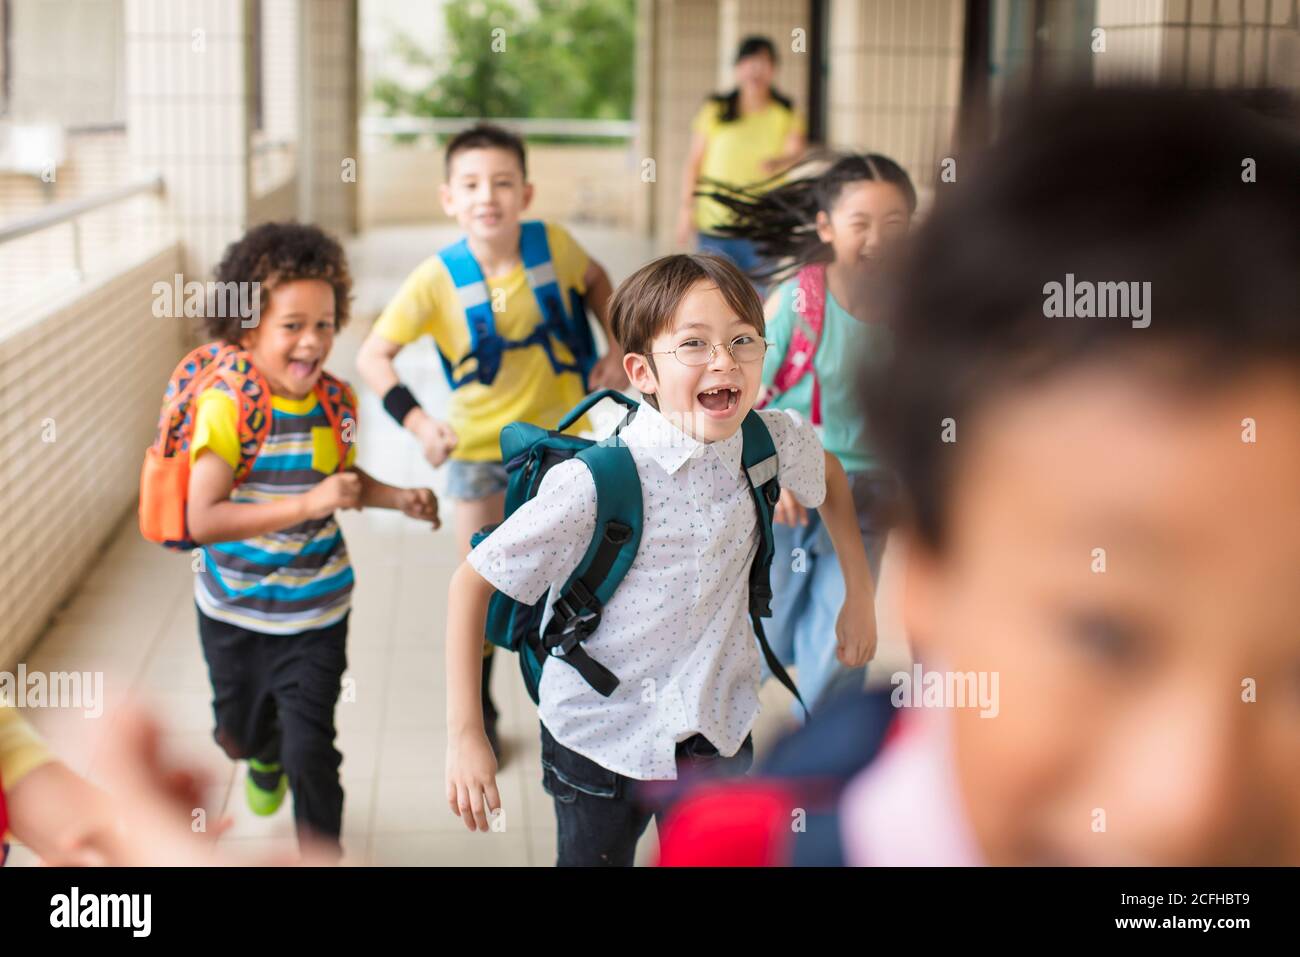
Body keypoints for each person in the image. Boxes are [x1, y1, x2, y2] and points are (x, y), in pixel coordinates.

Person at [658, 86, 1300, 866]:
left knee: (832, 639)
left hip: (870, 496)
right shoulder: (750, 849)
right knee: (779, 622)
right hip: (802, 497)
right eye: (1104, 634)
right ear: (934, 578)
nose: (1193, 807)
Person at [443, 251, 876, 866]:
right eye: (694, 344)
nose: (724, 360)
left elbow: (828, 473)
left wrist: (858, 595)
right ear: (641, 371)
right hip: (599, 742)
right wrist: (467, 733)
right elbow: (470, 584)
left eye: (742, 340)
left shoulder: (771, 440)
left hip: (716, 730)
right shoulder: (596, 482)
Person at [358, 123, 625, 755]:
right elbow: (375, 356)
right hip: (480, 456)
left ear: (526, 193)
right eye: (472, 184)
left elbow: (596, 279)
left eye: (503, 183)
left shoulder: (554, 246)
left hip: (565, 448)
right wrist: (420, 424)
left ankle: (573, 698)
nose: (489, 196)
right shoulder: (435, 279)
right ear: (449, 198)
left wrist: (616, 348)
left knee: (577, 580)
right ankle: (477, 713)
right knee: (479, 585)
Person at [184, 222, 439, 859]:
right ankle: (258, 757)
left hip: (317, 609)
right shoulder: (227, 407)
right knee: (238, 738)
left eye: (325, 324)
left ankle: (321, 853)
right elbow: (203, 520)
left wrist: (397, 498)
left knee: (312, 751)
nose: (313, 340)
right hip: (234, 611)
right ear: (247, 331)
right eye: (292, 325)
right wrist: (307, 503)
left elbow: (342, 482)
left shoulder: (336, 401)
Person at [703, 152, 917, 713]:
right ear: (826, 228)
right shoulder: (800, 302)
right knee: (763, 639)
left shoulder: (917, 306)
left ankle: (810, 778)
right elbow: (736, 396)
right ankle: (715, 747)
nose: (877, 239)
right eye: (860, 224)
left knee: (842, 650)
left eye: (893, 225)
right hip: (790, 499)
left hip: (870, 498)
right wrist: (774, 472)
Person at [676, 35, 806, 280]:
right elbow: (694, 161)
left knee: (761, 300)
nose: (756, 70)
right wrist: (686, 209)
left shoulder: (787, 112)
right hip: (715, 222)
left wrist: (778, 162)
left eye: (763, 62)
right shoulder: (716, 108)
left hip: (763, 226)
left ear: (774, 69)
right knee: (716, 295)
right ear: (737, 68)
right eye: (749, 62)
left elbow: (796, 154)